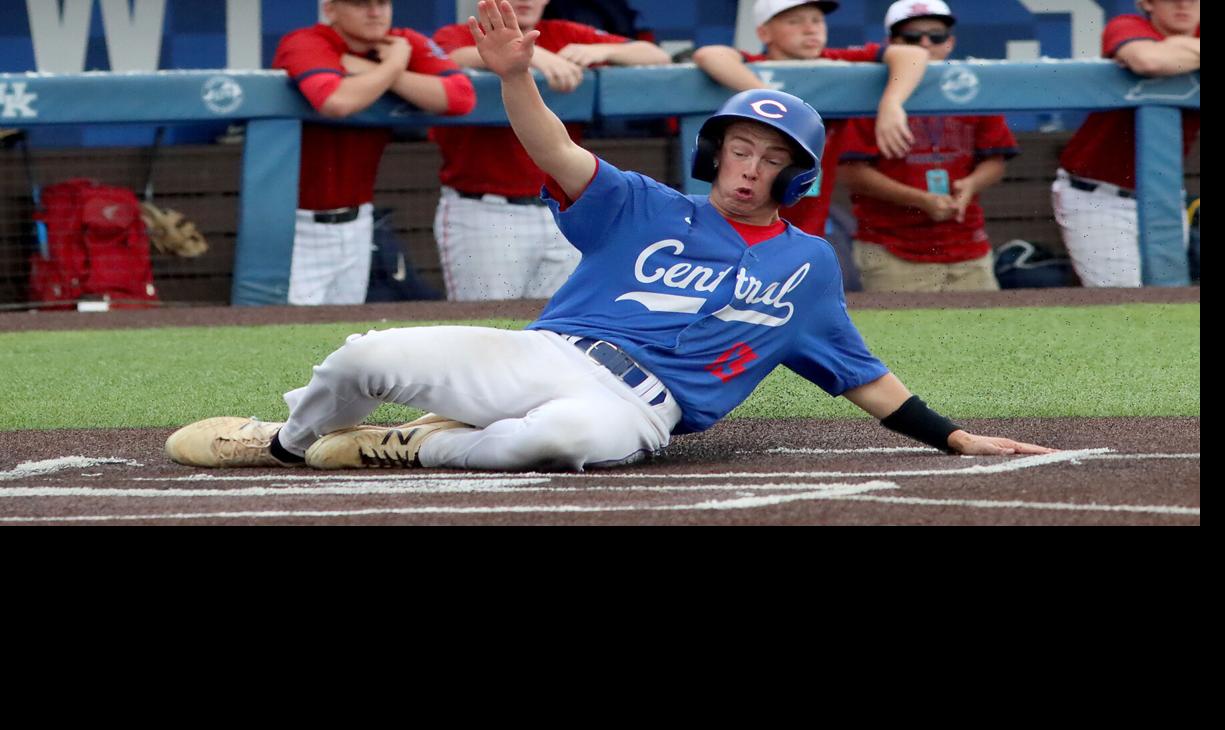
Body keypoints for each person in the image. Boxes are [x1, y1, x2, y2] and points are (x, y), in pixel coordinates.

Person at [165, 1, 1048, 474]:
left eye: (770, 157)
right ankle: (282, 444)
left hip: (636, 409)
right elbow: (551, 144)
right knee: (364, 353)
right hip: (554, 355)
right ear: (716, 151)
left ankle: (406, 445)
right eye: (738, 147)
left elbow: (863, 376)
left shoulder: (806, 266)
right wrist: (515, 80)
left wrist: (955, 438)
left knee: (549, 445)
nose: (748, 166)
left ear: (795, 174)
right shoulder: (643, 204)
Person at [430, 0, 669, 301]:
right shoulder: (461, 34)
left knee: (555, 330)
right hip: (485, 210)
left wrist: (602, 51)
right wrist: (530, 56)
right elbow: (449, 56)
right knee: (485, 328)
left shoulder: (561, 33)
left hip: (560, 210)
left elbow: (656, 55)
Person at [272, 0, 476, 305]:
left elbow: (461, 98)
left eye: (382, 3)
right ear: (330, 9)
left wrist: (381, 70)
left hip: (359, 221)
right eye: (360, 3)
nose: (375, 12)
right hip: (296, 225)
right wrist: (394, 66)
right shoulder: (306, 41)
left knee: (338, 331)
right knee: (282, 333)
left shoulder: (401, 41)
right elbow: (336, 100)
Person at [690, 0, 929, 239]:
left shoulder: (836, 62)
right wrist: (775, 102)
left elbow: (914, 54)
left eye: (816, 20)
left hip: (806, 232)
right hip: (740, 226)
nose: (810, 29)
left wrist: (892, 103)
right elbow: (710, 54)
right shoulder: (756, 65)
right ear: (764, 33)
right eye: (795, 21)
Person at [837, 1, 1017, 293]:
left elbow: (996, 161)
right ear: (892, 43)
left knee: (987, 336)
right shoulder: (870, 90)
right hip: (892, 250)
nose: (925, 44)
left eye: (936, 36)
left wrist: (971, 184)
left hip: (968, 246)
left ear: (950, 42)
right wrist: (920, 199)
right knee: (902, 339)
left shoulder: (968, 85)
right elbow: (850, 171)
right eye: (912, 37)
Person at [1052, 0, 1200, 288]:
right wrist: (1174, 54)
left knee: (1168, 298)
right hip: (1096, 195)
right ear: (1147, 2)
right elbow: (1149, 60)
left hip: (1164, 195)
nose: (1183, 3)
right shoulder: (1128, 25)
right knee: (1123, 302)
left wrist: (1181, 53)